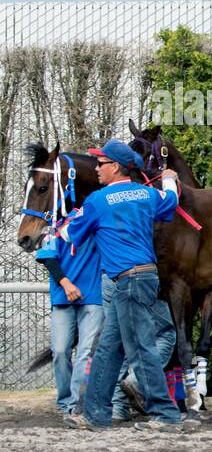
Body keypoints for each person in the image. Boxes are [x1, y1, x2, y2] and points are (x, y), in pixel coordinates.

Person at [61, 139, 189, 433]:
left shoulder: (97, 201)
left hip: (126, 280)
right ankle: (95, 414)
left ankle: (165, 414)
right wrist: (169, 181)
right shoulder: (146, 193)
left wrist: (58, 227)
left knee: (140, 348)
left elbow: (70, 236)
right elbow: (169, 203)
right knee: (108, 349)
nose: (96, 168)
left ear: (116, 167)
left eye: (101, 163)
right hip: (141, 279)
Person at [35, 204, 103, 418]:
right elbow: (48, 257)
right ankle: (65, 401)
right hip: (63, 298)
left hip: (92, 298)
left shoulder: (97, 219)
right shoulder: (56, 223)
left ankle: (77, 404)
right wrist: (66, 284)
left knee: (86, 352)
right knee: (60, 351)